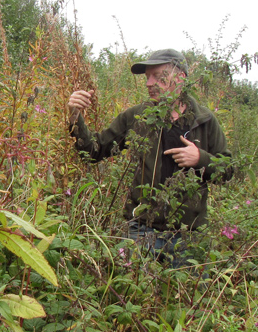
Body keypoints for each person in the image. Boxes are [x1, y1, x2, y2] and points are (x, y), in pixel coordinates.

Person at [67, 48, 232, 264]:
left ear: (180, 77)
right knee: (135, 296)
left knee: (185, 295)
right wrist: (74, 115)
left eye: (157, 76)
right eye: (147, 77)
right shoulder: (137, 116)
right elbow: (94, 150)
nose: (148, 83)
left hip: (189, 235)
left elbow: (228, 169)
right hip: (141, 230)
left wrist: (200, 158)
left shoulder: (205, 120)